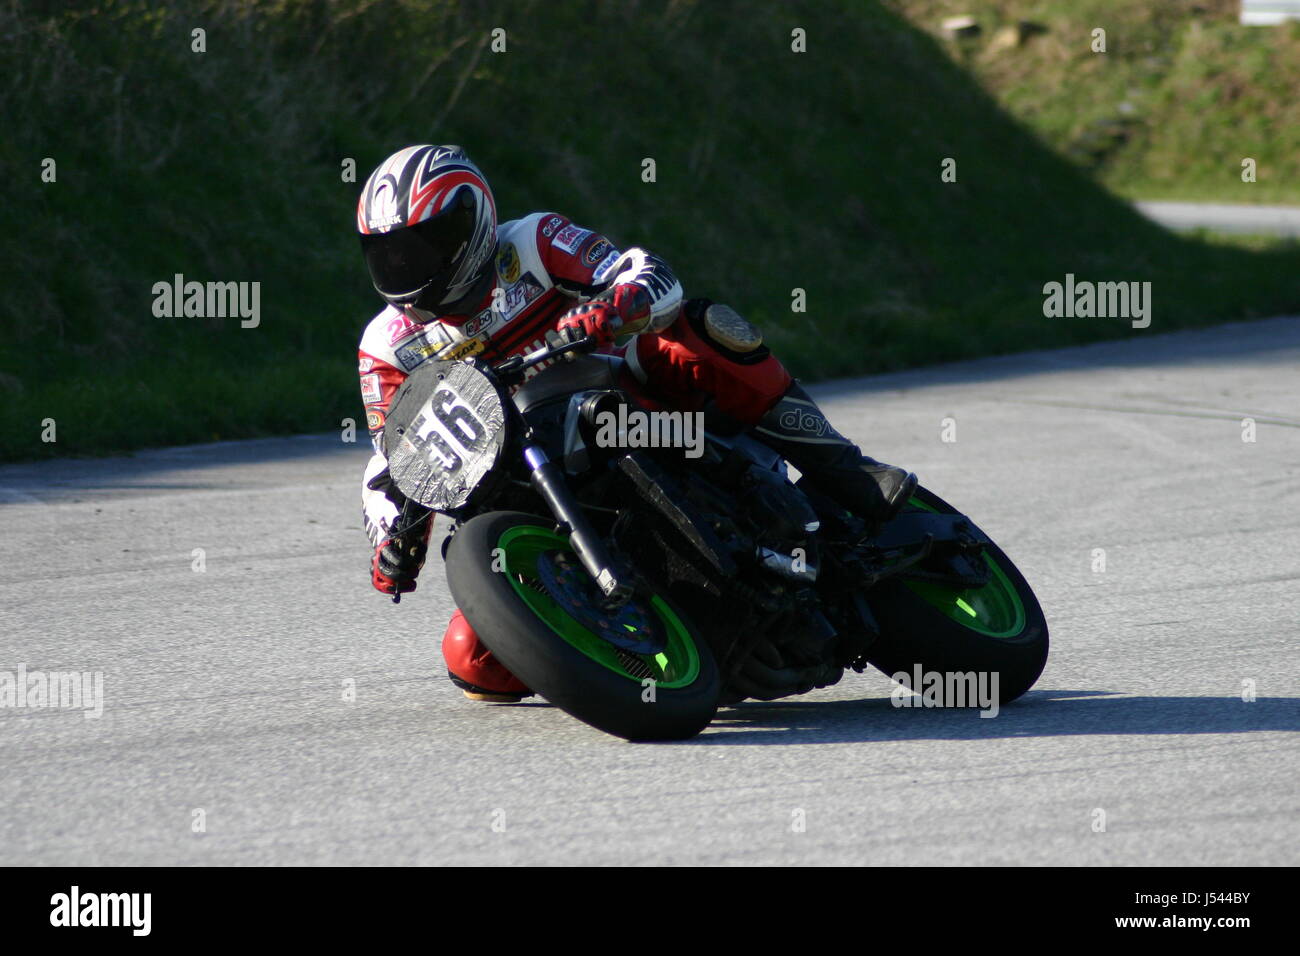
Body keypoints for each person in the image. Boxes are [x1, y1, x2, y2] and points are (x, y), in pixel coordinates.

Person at [354, 145, 916, 701]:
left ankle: (847, 470)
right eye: (392, 253)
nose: (408, 266)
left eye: (427, 244)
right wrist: (392, 542)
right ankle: (634, 647)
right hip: (516, 477)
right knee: (472, 661)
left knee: (694, 330)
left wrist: (614, 307)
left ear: (473, 222)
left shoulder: (532, 241)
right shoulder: (386, 346)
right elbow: (392, 458)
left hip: (622, 408)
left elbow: (648, 273)